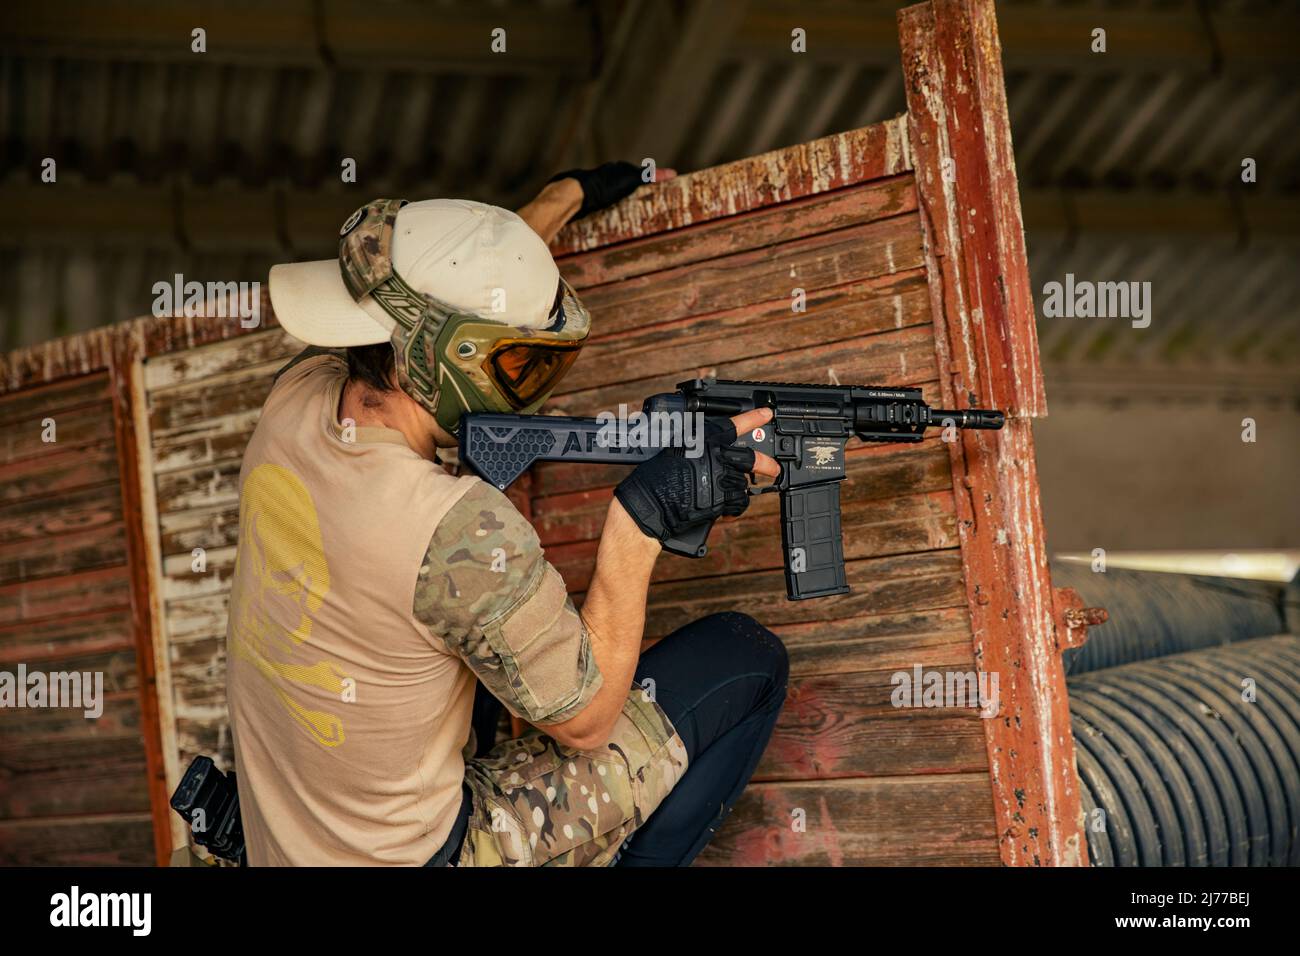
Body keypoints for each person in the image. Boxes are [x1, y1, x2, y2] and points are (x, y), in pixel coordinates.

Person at [226, 162, 789, 867]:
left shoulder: (296, 397)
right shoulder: (453, 527)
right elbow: (587, 722)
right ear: (447, 360)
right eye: (519, 364)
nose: (531, 383)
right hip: (421, 857)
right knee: (745, 659)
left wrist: (564, 198)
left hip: (295, 835)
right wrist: (644, 519)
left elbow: (412, 307)